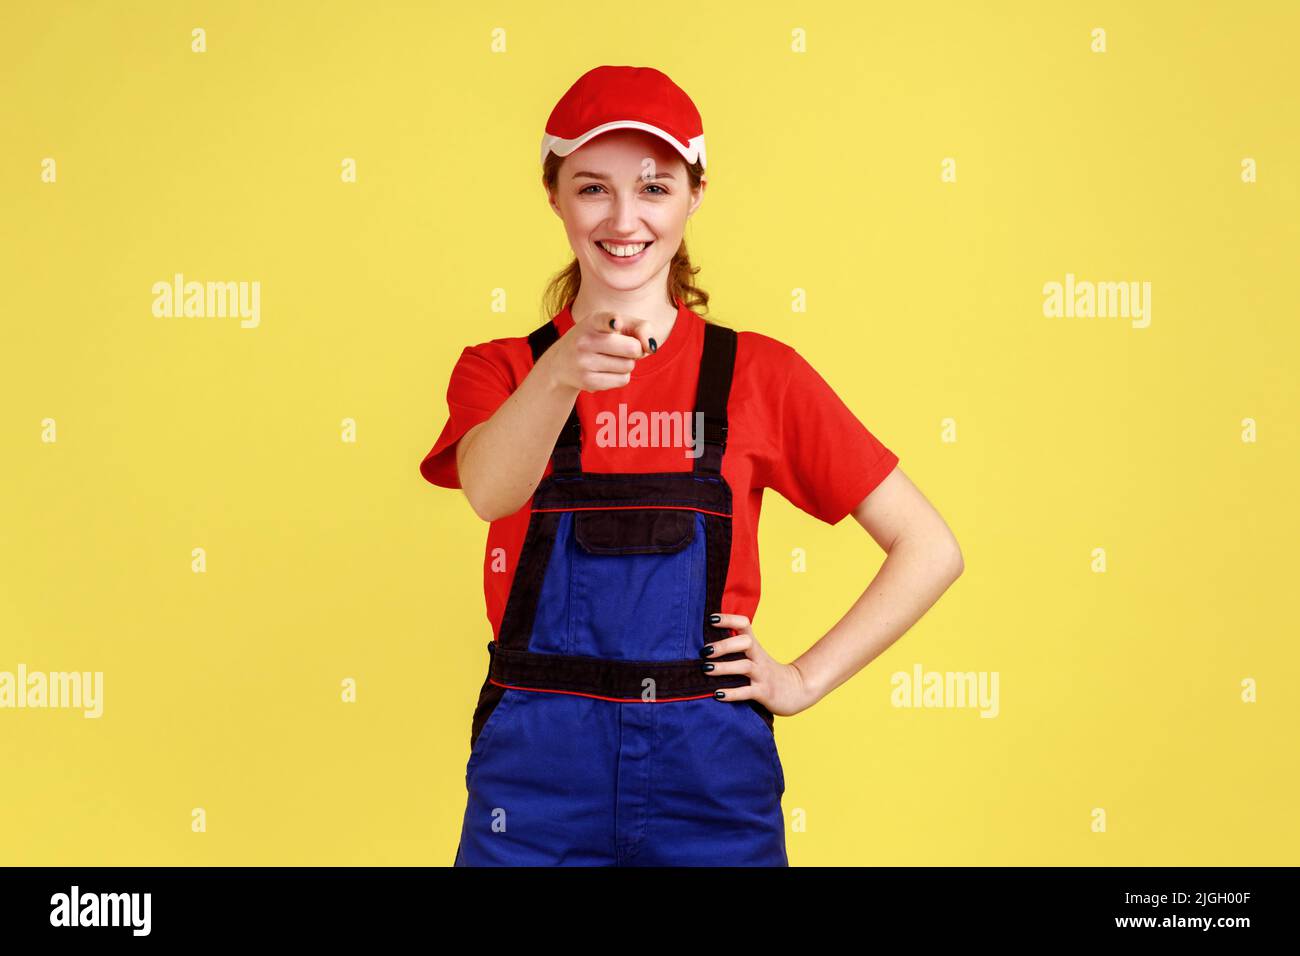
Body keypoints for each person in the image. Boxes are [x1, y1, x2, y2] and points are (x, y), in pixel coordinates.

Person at [419, 65, 964, 866]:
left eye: (654, 187)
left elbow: (931, 548)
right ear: (556, 198)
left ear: (695, 194)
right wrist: (560, 372)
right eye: (593, 189)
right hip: (536, 782)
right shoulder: (503, 370)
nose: (625, 217)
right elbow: (489, 490)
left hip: (709, 777)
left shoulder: (760, 375)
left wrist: (803, 680)